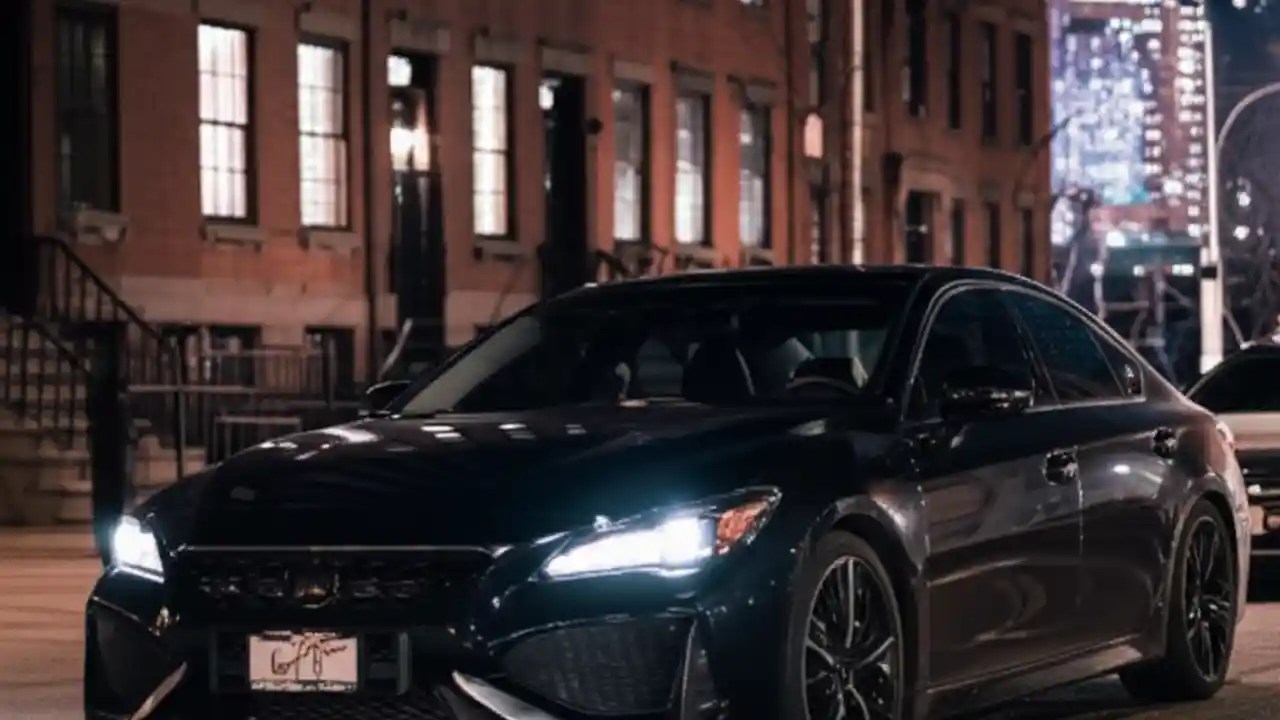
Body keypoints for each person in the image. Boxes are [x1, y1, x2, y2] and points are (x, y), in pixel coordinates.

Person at [87, 371, 137, 564]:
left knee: (104, 502)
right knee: (114, 502)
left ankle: (104, 543)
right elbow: (128, 434)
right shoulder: (120, 404)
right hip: (115, 457)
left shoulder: (100, 405)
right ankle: (110, 543)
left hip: (105, 456)